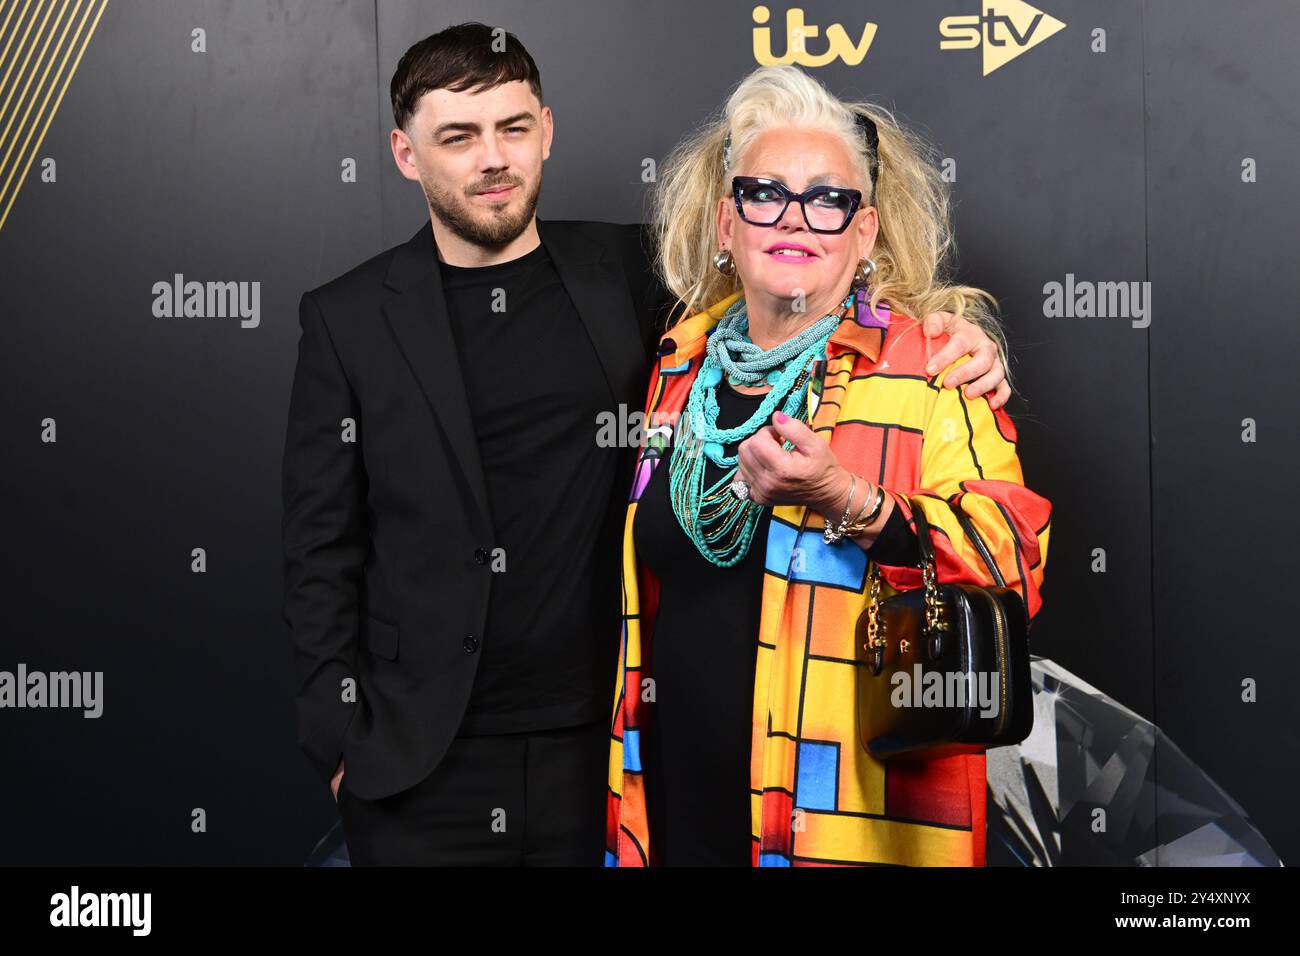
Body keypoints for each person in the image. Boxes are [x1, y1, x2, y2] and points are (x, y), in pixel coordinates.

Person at [281, 23, 1012, 866]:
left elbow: (806, 275)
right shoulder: (348, 317)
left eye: (514, 129)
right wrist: (337, 744)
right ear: (407, 153)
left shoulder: (632, 280)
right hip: (423, 760)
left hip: (601, 753)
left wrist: (953, 333)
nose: (493, 159)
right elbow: (320, 547)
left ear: (547, 132)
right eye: (459, 136)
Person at [605, 64, 1053, 867]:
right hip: (678, 807)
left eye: (827, 198)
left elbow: (1012, 559)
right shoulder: (678, 369)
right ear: (725, 223)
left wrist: (853, 500)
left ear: (866, 230)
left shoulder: (931, 367)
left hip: (845, 821)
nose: (794, 218)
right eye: (765, 192)